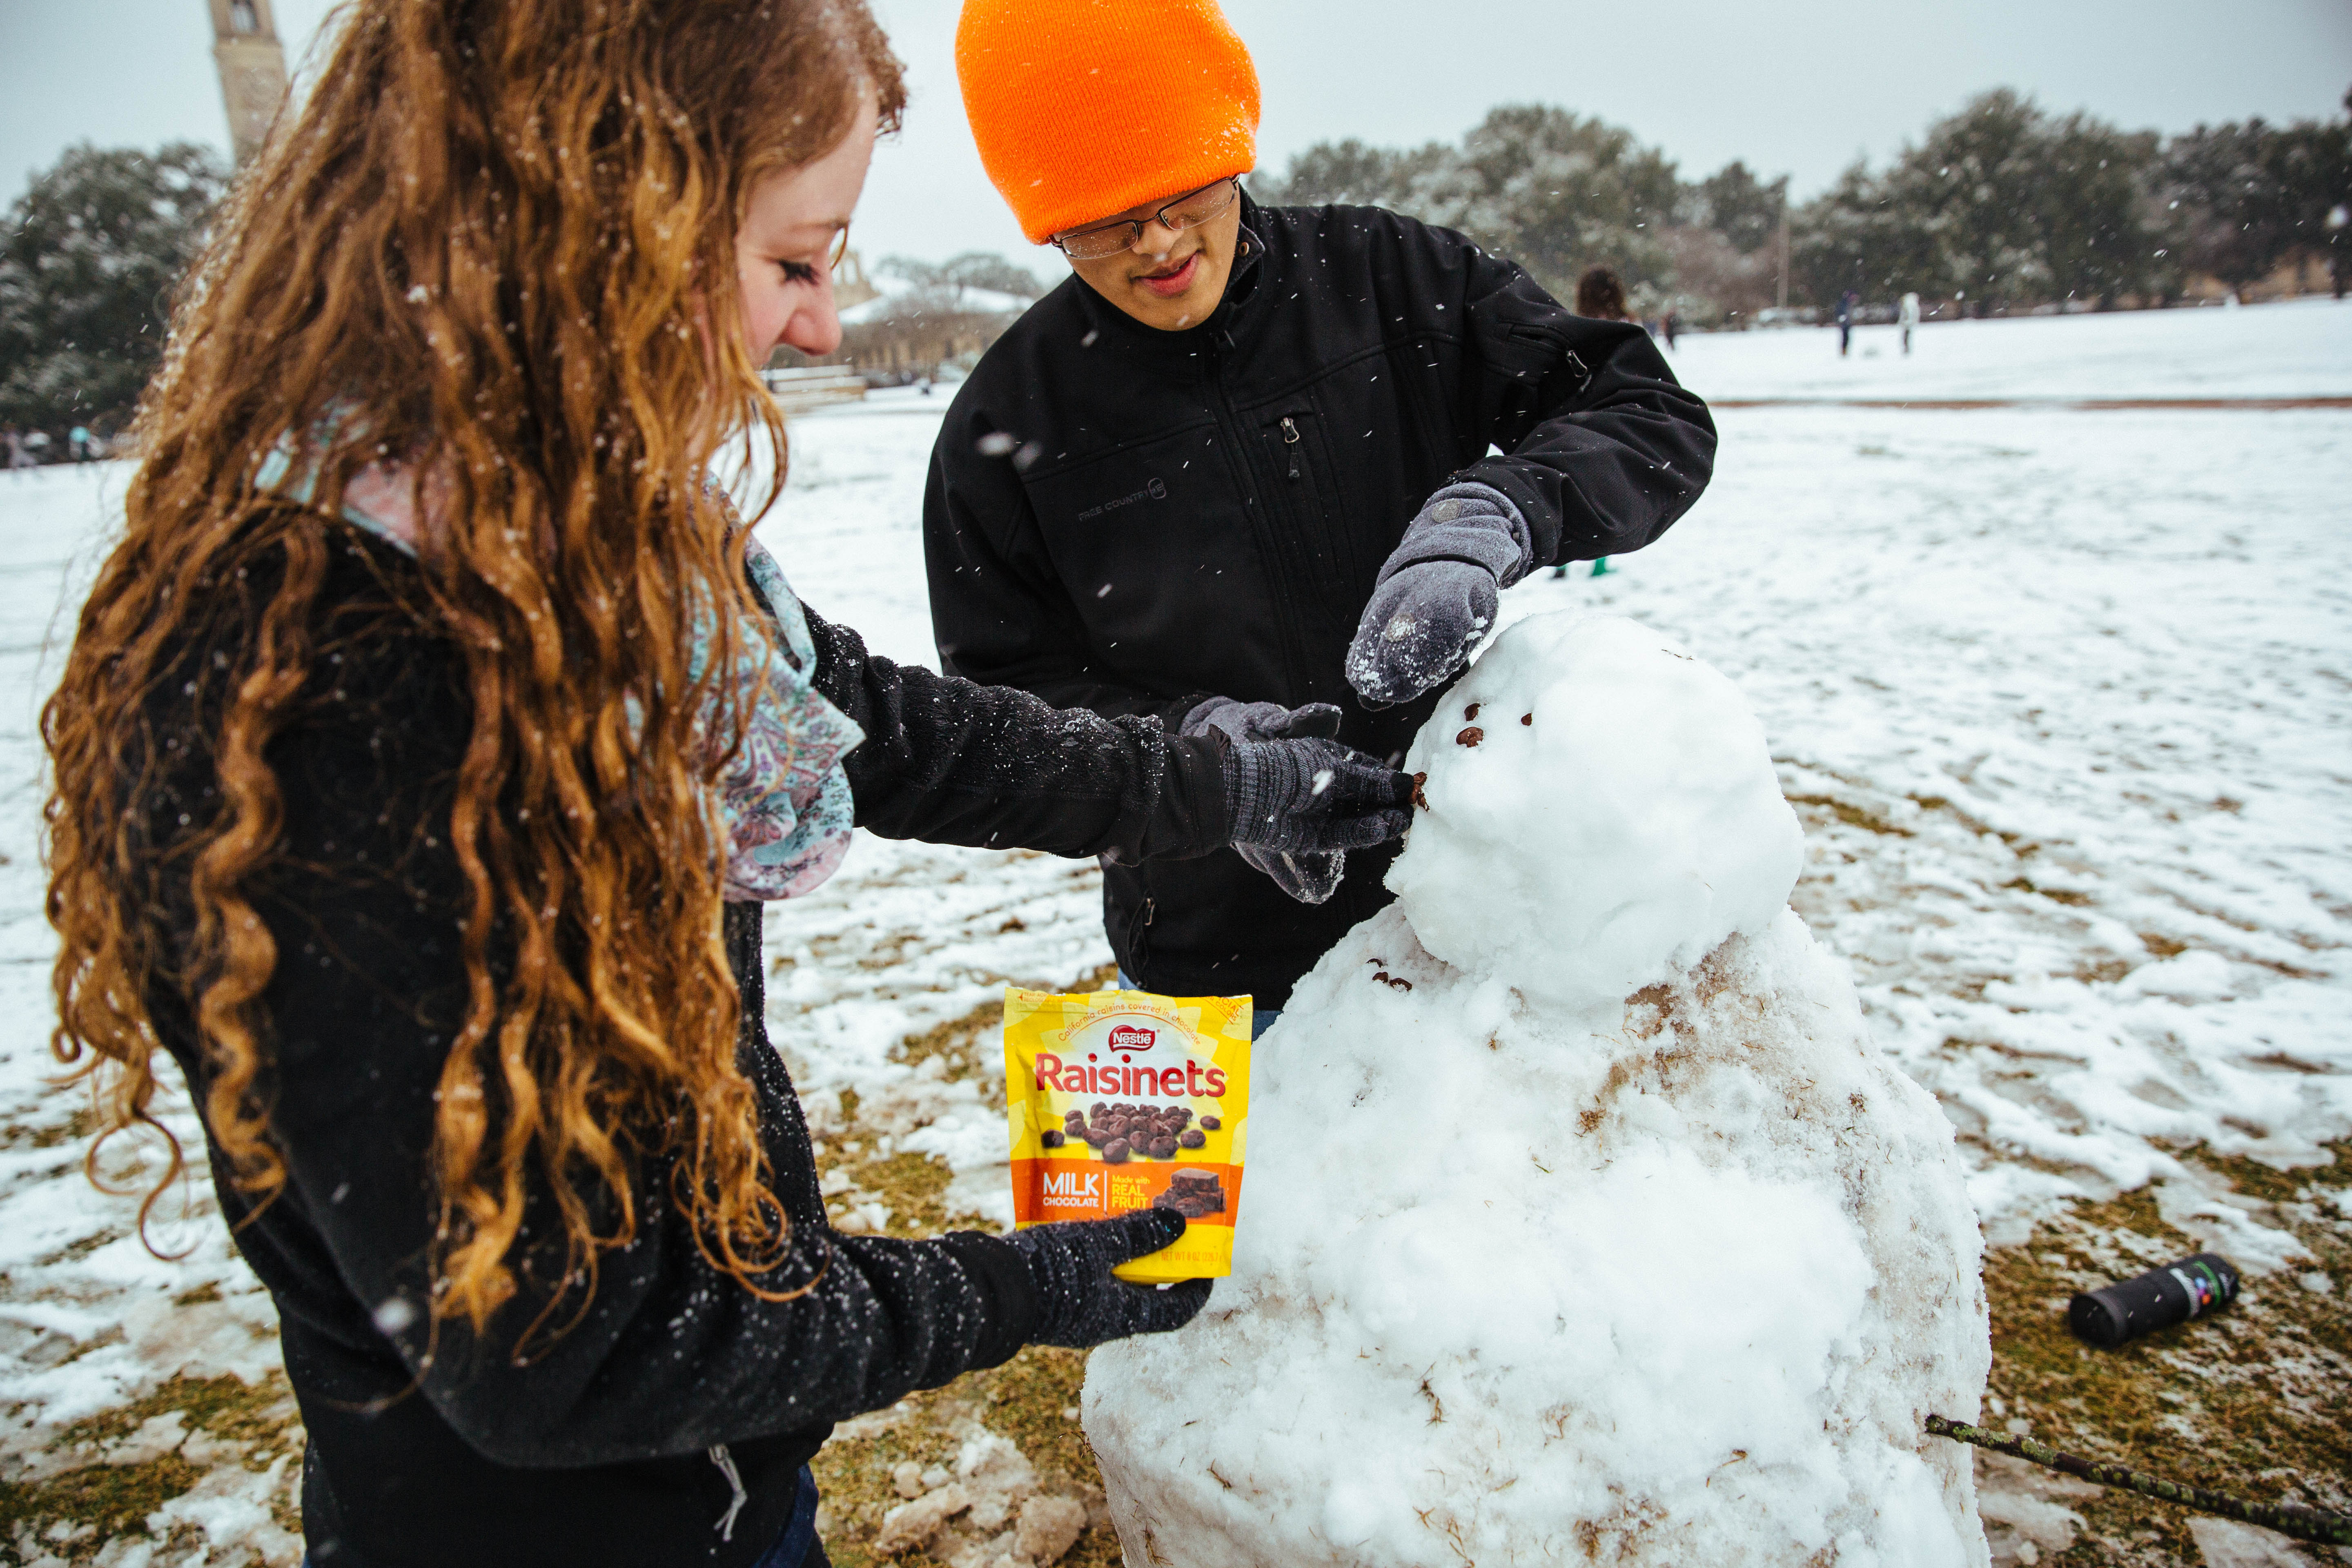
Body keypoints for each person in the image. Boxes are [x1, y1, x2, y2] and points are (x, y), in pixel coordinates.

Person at [39, 4, 1412, 1566]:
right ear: (606, 217)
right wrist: (1024, 1282)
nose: (819, 328)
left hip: (722, 1480)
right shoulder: (330, 671)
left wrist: (1206, 785)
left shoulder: (573, 540)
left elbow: (879, 728)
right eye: (793, 260)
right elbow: (572, 1350)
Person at [925, 0, 1715, 1026]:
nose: (1158, 238)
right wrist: (1201, 760)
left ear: (1231, 140)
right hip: (1204, 969)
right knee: (1182, 1199)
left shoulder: (1389, 281)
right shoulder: (1005, 419)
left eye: (1182, 190)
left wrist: (1495, 511)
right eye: (1102, 214)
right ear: (1039, 215)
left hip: (1465, 930)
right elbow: (1005, 703)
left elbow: (1643, 407)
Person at [1836, 289, 1859, 356]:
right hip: (1845, 324)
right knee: (1845, 338)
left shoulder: (1848, 304)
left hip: (1847, 324)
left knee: (1847, 338)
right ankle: (1844, 352)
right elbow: (1841, 314)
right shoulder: (1844, 304)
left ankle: (1845, 351)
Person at [1899, 290, 1920, 355]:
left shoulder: (1908, 304)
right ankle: (1907, 349)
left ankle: (1907, 350)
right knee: (1907, 337)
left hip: (1908, 324)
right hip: (1910, 324)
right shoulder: (1913, 303)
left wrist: (1906, 322)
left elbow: (1909, 314)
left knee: (1906, 337)